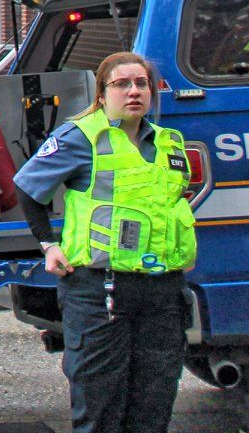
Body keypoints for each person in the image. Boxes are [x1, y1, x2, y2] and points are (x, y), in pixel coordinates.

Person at [14, 51, 195, 433]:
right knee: (100, 411)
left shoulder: (169, 143)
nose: (133, 92)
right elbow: (29, 189)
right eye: (122, 84)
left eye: (141, 84)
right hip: (101, 293)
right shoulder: (80, 137)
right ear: (102, 93)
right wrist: (48, 244)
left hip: (162, 293)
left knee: (153, 410)